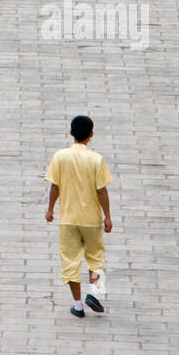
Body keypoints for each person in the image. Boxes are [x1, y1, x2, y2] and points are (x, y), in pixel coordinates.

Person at [45, 116, 113, 319]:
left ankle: (78, 305)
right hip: (91, 219)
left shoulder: (60, 157)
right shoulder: (96, 159)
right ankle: (93, 292)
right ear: (91, 135)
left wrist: (50, 210)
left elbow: (55, 186)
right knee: (96, 257)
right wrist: (107, 216)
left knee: (70, 261)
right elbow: (101, 191)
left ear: (71, 133)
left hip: (68, 219)